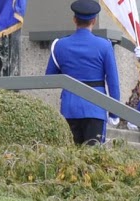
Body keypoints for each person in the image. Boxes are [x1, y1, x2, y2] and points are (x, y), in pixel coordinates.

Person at [47, 0, 121, 146]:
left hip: (69, 108)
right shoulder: (105, 46)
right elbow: (113, 82)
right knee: (93, 162)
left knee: (70, 159)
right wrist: (114, 113)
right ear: (94, 20)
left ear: (74, 19)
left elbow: (49, 77)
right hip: (95, 108)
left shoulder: (59, 45)